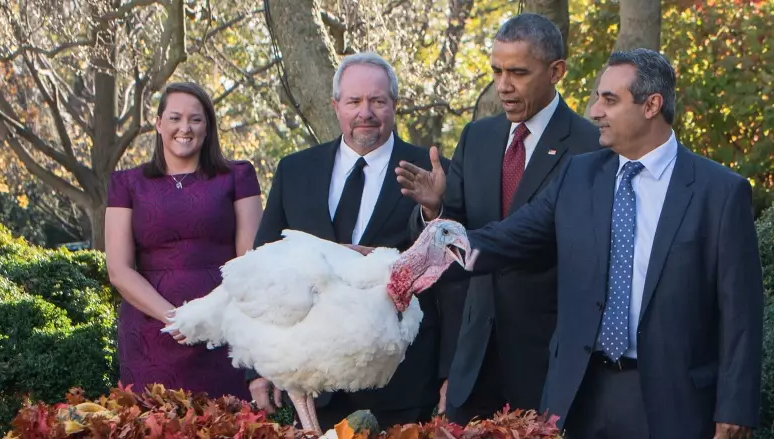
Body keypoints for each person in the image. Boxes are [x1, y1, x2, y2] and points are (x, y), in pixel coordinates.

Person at [400, 48, 763, 438]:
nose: (594, 111)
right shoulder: (579, 175)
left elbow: (740, 312)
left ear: (651, 105)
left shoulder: (719, 192)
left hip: (671, 399)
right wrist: (421, 251)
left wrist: (735, 406)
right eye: (596, 98)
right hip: (579, 393)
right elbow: (506, 239)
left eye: (610, 100)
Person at [398, 13, 601, 424]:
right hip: (474, 358)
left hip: (548, 359)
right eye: (496, 70)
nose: (503, 85)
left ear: (556, 71)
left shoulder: (591, 146)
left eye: (518, 73)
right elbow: (461, 234)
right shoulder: (478, 137)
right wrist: (435, 209)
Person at [245, 52, 455, 430]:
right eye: (354, 101)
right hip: (312, 383)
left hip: (400, 381)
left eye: (377, 101)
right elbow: (262, 269)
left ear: (394, 105)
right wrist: (257, 369)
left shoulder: (430, 170)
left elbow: (451, 280)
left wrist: (434, 209)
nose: (366, 112)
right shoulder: (295, 171)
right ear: (335, 106)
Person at [105, 82, 264, 400]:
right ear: (159, 124)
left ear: (208, 127)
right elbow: (119, 270)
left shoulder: (238, 177)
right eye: (175, 118)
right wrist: (175, 319)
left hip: (223, 330)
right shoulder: (126, 184)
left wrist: (206, 315)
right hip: (152, 332)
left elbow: (250, 264)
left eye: (196, 119)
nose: (185, 128)